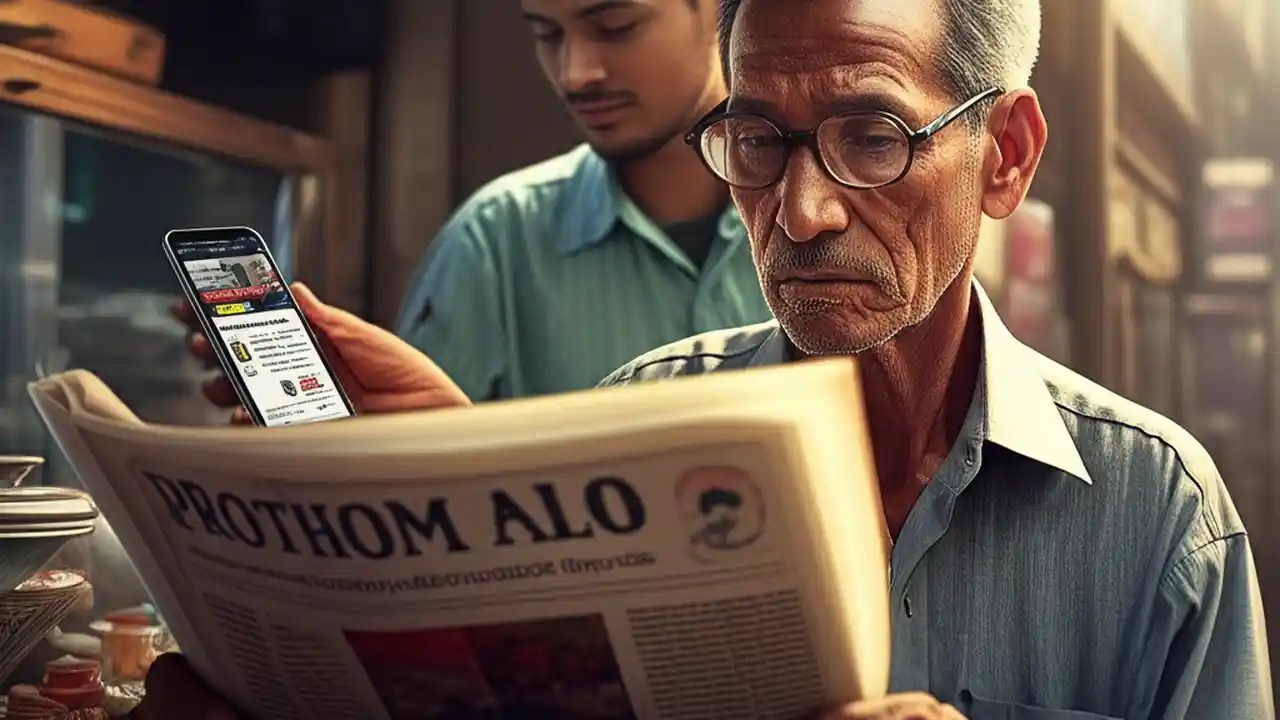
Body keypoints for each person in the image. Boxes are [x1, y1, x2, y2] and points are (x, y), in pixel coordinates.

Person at [150, 0, 1274, 717]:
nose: (802, 208)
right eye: (753, 140)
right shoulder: (634, 421)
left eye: (872, 136)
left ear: (1004, 158)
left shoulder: (1153, 515)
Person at [393, 0, 771, 401]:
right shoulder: (493, 245)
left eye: (616, 27)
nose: (574, 75)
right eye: (547, 34)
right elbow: (409, 456)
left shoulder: (817, 219)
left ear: (716, 11)